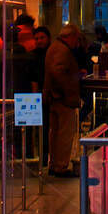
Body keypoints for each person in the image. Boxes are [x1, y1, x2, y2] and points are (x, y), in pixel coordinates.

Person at [43, 23, 88, 176]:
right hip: (62, 99)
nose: (77, 42)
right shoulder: (62, 50)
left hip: (54, 98)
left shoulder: (55, 47)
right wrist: (67, 91)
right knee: (64, 133)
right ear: (70, 36)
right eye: (77, 38)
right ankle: (60, 166)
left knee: (55, 133)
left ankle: (54, 164)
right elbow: (58, 71)